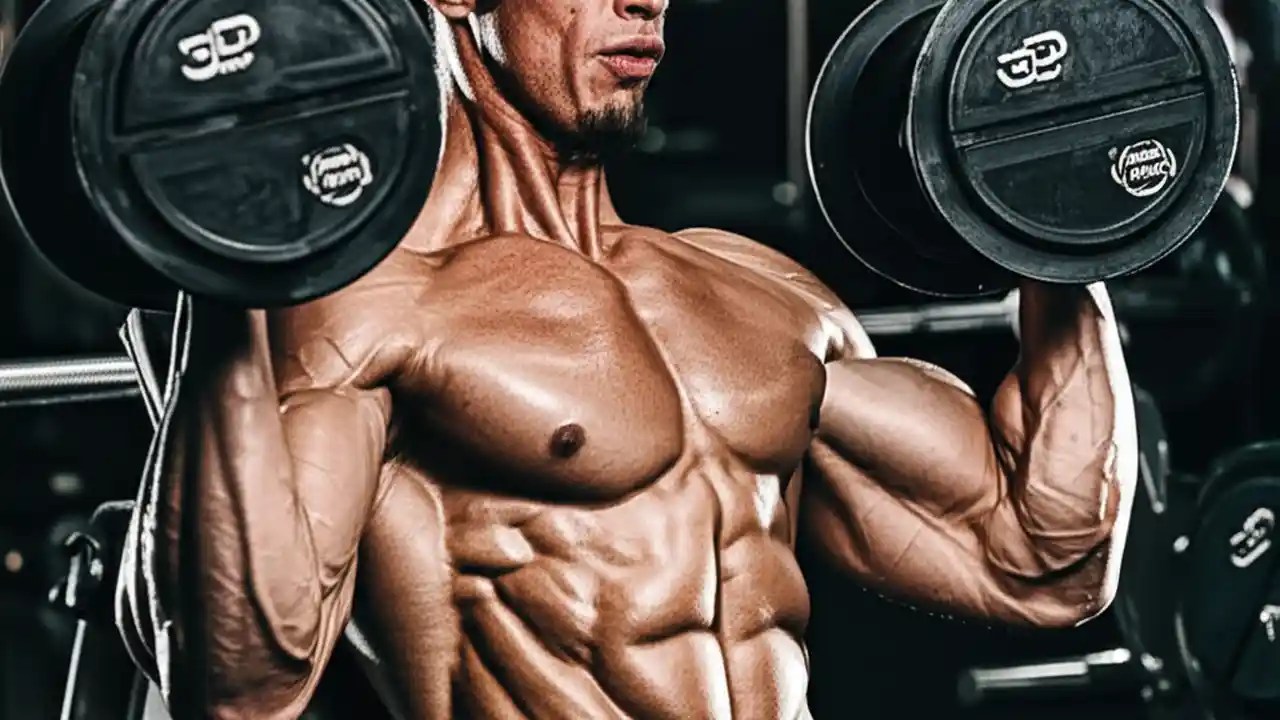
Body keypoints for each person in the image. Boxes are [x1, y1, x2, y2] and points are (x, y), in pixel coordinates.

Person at [114, 1, 1138, 718]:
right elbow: (240, 683)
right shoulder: (371, 316)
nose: (644, 3)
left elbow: (1040, 561)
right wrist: (224, 247)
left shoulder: (762, 295)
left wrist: (1055, 222)